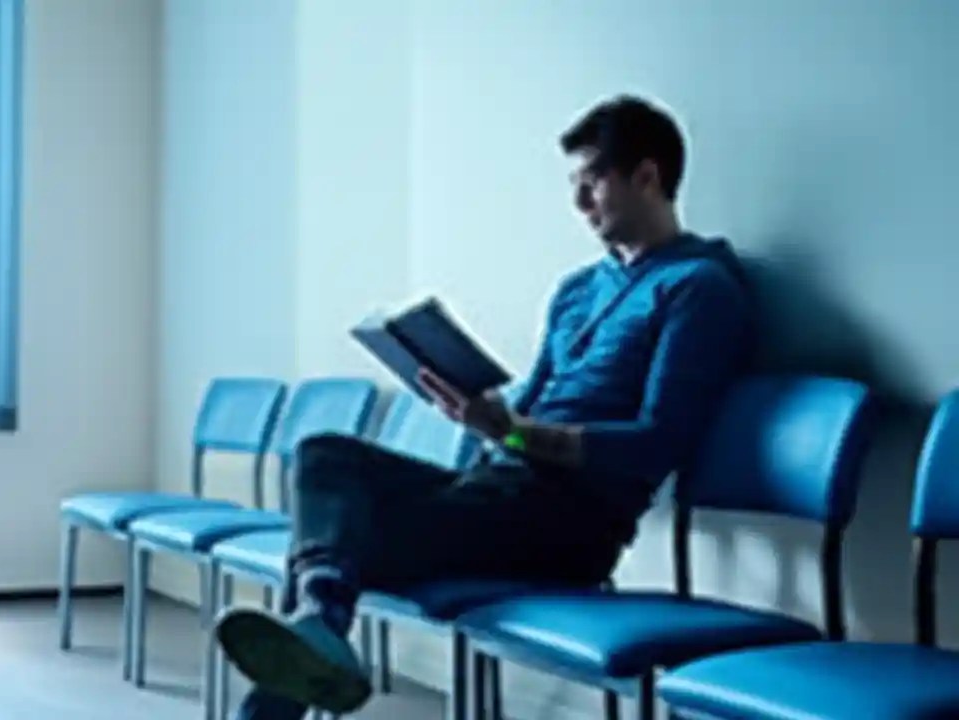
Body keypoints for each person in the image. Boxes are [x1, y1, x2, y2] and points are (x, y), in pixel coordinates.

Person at [214, 95, 756, 718]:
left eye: (592, 183)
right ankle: (318, 624)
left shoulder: (700, 289)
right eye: (573, 185)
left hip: (570, 526)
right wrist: (482, 412)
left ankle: (312, 633)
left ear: (647, 176)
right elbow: (531, 407)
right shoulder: (579, 290)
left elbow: (657, 444)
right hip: (496, 491)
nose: (579, 204)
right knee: (325, 456)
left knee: (337, 537)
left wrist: (516, 433)